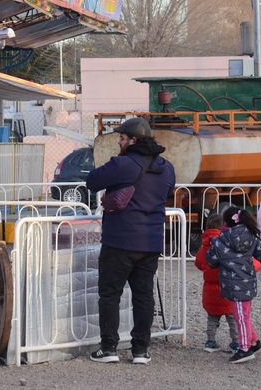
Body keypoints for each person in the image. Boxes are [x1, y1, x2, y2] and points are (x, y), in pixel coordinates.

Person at [85, 117, 176, 365]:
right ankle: (141, 351)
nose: (120, 142)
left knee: (110, 294)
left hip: (120, 240)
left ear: (134, 140)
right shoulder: (166, 167)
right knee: (144, 296)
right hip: (151, 242)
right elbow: (168, 189)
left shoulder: (123, 164)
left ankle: (109, 348)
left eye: (122, 138)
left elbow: (92, 181)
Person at [205, 207, 261, 364]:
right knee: (244, 316)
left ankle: (244, 349)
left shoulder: (220, 240)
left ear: (225, 223)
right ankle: (254, 342)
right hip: (248, 284)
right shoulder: (251, 237)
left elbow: (210, 261)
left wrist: (211, 244)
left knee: (241, 318)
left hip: (233, 287)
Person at [195, 213, 261, 353]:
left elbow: (199, 263)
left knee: (212, 318)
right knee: (233, 318)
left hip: (210, 291)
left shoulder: (205, 246)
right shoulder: (227, 244)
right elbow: (249, 263)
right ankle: (236, 342)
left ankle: (210, 341)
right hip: (228, 288)